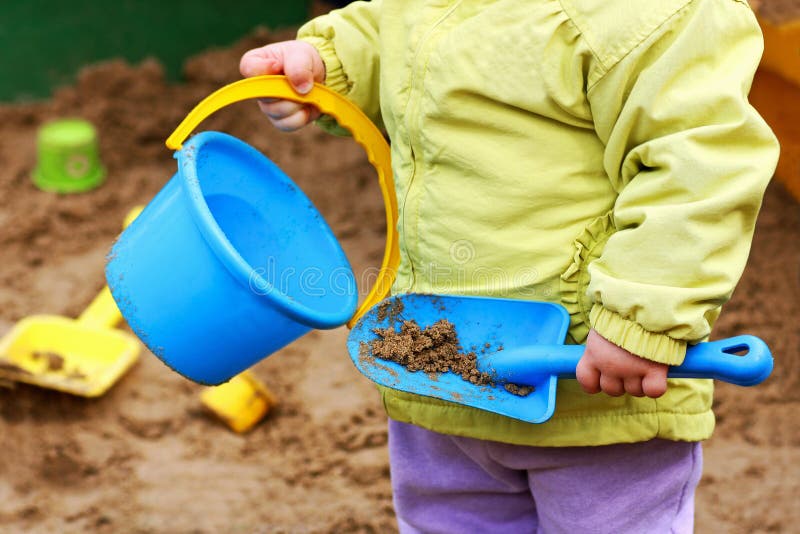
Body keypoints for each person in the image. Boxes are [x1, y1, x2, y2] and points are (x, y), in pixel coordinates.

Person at [239, 1, 779, 532]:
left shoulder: (654, 15)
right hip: (442, 371)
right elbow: (390, 30)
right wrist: (326, 64)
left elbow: (700, 167)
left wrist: (641, 318)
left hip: (594, 393)